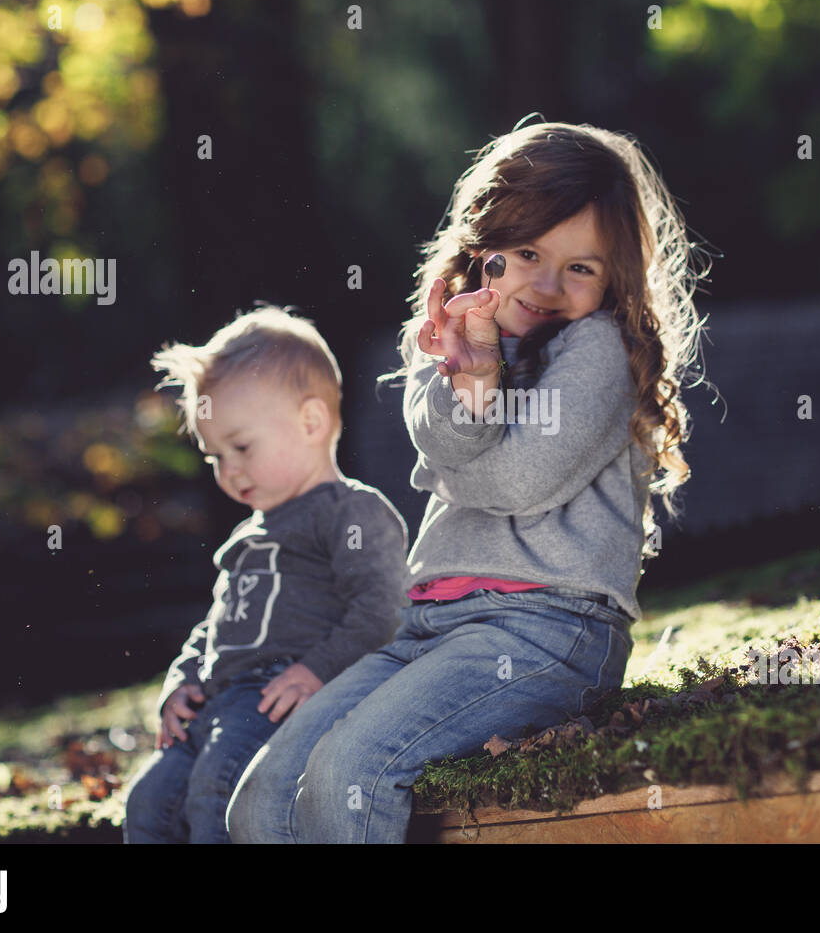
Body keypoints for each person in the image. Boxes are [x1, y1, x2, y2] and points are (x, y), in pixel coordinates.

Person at [227, 119, 711, 843]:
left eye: (581, 268)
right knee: (262, 798)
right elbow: (434, 441)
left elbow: (515, 482)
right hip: (428, 626)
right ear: (483, 246)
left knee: (349, 773)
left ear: (615, 278)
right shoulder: (452, 336)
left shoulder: (599, 349)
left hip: (549, 628)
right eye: (525, 253)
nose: (546, 284)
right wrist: (476, 373)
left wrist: (472, 407)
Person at [122, 306, 409, 842]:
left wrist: (316, 670)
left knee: (217, 793)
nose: (229, 470)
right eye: (214, 457)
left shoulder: (349, 512)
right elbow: (215, 626)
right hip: (215, 702)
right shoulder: (246, 539)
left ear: (310, 422)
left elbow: (381, 607)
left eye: (242, 447)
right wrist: (182, 680)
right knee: (149, 801)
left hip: (277, 699)